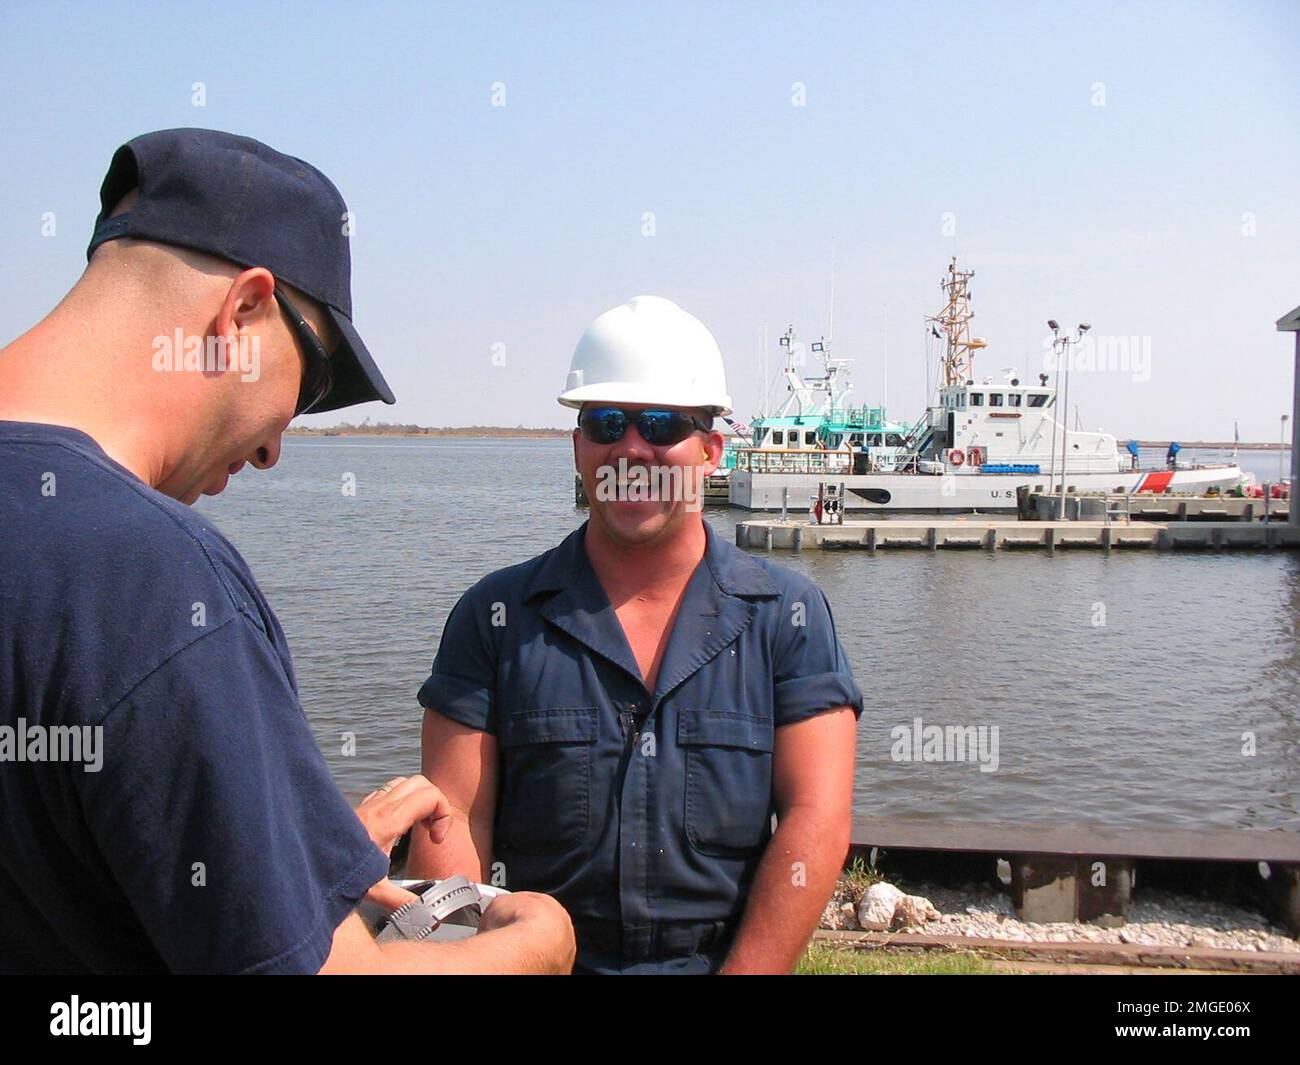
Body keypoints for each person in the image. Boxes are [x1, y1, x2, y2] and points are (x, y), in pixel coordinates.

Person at [0, 128, 573, 975]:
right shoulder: (153, 582)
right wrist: (539, 945)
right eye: (306, 384)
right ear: (242, 311)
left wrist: (274, 846)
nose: (275, 450)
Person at [411, 295, 862, 974]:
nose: (630, 447)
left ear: (711, 451)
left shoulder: (787, 617)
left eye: (660, 424)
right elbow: (454, 821)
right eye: (606, 423)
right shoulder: (495, 618)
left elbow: (816, 818)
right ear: (576, 446)